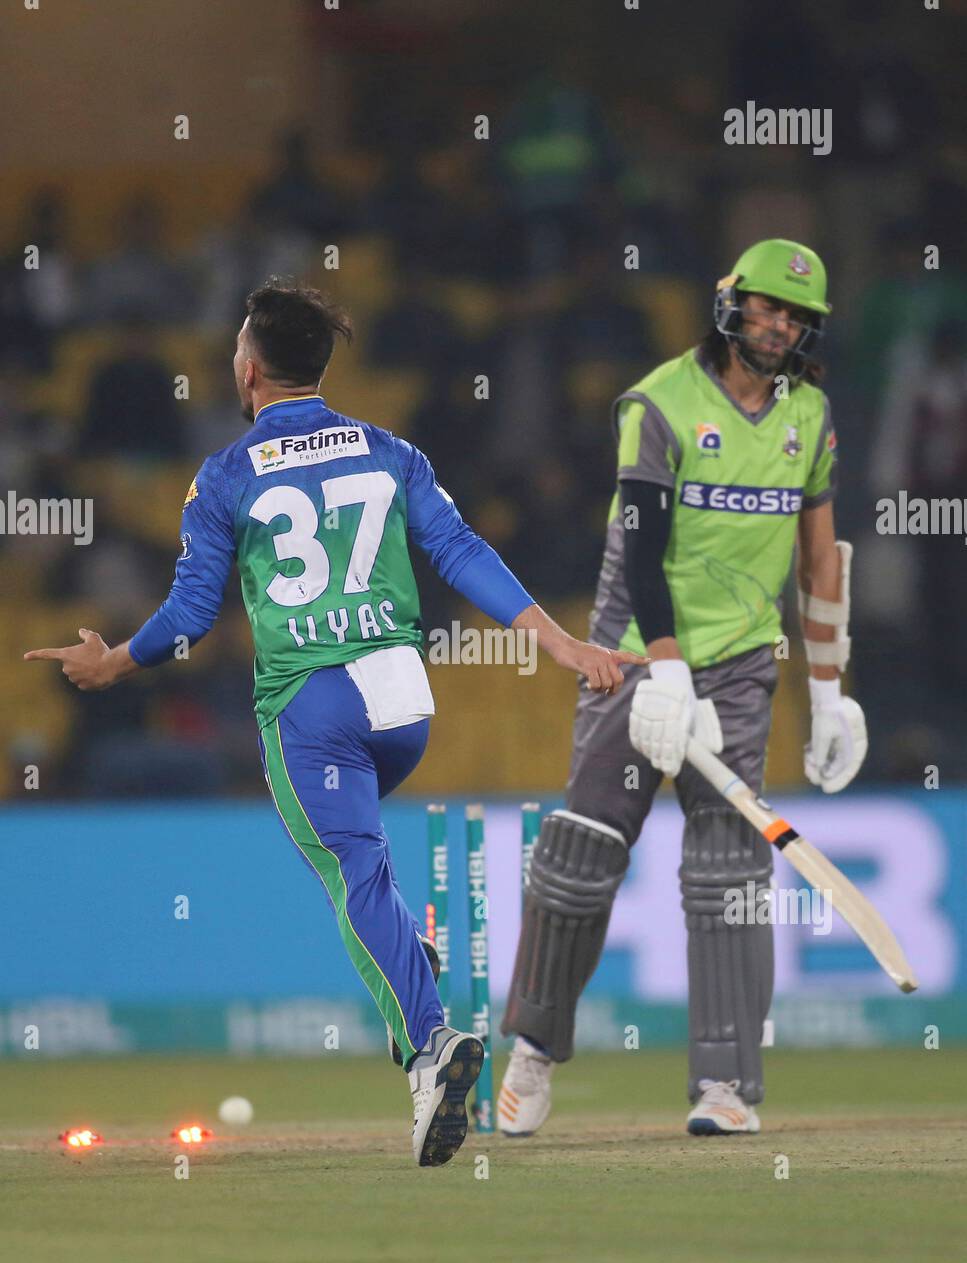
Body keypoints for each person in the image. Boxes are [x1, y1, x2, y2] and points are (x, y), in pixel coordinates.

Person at [24, 279, 642, 1168]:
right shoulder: (389, 450)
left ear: (247, 368)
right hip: (402, 701)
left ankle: (428, 1050)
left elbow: (194, 611)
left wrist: (111, 662)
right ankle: (402, 946)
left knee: (348, 871)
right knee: (360, 869)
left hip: (310, 706)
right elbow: (460, 549)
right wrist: (553, 639)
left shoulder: (228, 474)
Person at [499, 239, 868, 1138]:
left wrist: (827, 691)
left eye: (795, 316)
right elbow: (640, 546)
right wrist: (662, 665)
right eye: (765, 307)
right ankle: (532, 1054)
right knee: (580, 860)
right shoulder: (659, 402)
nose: (777, 326)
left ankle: (724, 1088)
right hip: (633, 659)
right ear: (729, 303)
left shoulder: (810, 417)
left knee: (729, 873)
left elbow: (818, 557)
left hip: (742, 668)